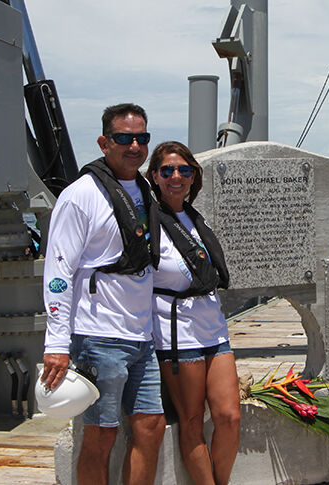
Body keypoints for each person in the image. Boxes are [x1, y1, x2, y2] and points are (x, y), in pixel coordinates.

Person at [41, 103, 166, 485]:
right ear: (104, 142)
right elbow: (58, 273)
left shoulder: (146, 191)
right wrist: (57, 343)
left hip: (142, 338)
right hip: (97, 337)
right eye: (123, 138)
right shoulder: (80, 196)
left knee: (150, 427)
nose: (134, 146)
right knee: (100, 436)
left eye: (141, 138)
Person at [147, 141, 239, 485]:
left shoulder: (196, 219)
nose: (176, 177)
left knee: (229, 416)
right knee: (191, 421)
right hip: (177, 332)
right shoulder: (149, 222)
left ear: (193, 176)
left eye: (184, 170)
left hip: (212, 327)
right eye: (167, 170)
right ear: (154, 176)